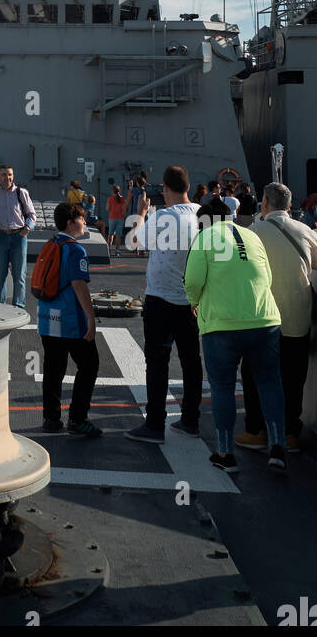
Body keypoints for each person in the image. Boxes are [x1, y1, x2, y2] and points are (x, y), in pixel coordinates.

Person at [184, 196, 286, 472]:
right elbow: (267, 276)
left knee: (223, 388)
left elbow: (192, 280)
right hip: (264, 320)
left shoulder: (205, 238)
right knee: (270, 383)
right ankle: (278, 447)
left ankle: (225, 454)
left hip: (222, 326)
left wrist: (195, 301)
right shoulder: (251, 236)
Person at [123, 165, 203, 443]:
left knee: (157, 363)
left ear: (165, 189)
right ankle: (191, 420)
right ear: (188, 187)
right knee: (192, 362)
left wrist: (142, 213)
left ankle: (155, 425)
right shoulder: (203, 216)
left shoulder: (164, 216)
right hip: (192, 303)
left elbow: (132, 243)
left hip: (161, 300)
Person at [237, 182, 317, 453]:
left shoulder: (252, 232)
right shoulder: (305, 230)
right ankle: (290, 433)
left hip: (263, 317)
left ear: (265, 204)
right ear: (289, 205)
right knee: (294, 377)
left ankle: (256, 430)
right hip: (297, 316)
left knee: (254, 373)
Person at [37, 202, 101, 438]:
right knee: (89, 364)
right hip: (70, 321)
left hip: (47, 317)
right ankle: (78, 418)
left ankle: (51, 419)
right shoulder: (75, 250)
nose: (85, 222)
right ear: (71, 222)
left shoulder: (51, 244)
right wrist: (91, 319)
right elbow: (78, 285)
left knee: (53, 369)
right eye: (82, 218)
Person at [0, 166, 36, 308]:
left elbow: (31, 214)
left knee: (19, 275)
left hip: (18, 236)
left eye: (9, 174)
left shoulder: (22, 193)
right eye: (3, 175)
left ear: (13, 176)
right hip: (0, 237)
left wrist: (27, 228)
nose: (7, 178)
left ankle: (19, 306)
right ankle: (0, 307)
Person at [106, 185, 125, 255]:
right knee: (118, 235)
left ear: (112, 191)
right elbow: (124, 209)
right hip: (120, 218)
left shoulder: (110, 199)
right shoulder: (122, 198)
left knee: (110, 234)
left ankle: (108, 249)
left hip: (112, 218)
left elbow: (107, 209)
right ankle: (117, 250)